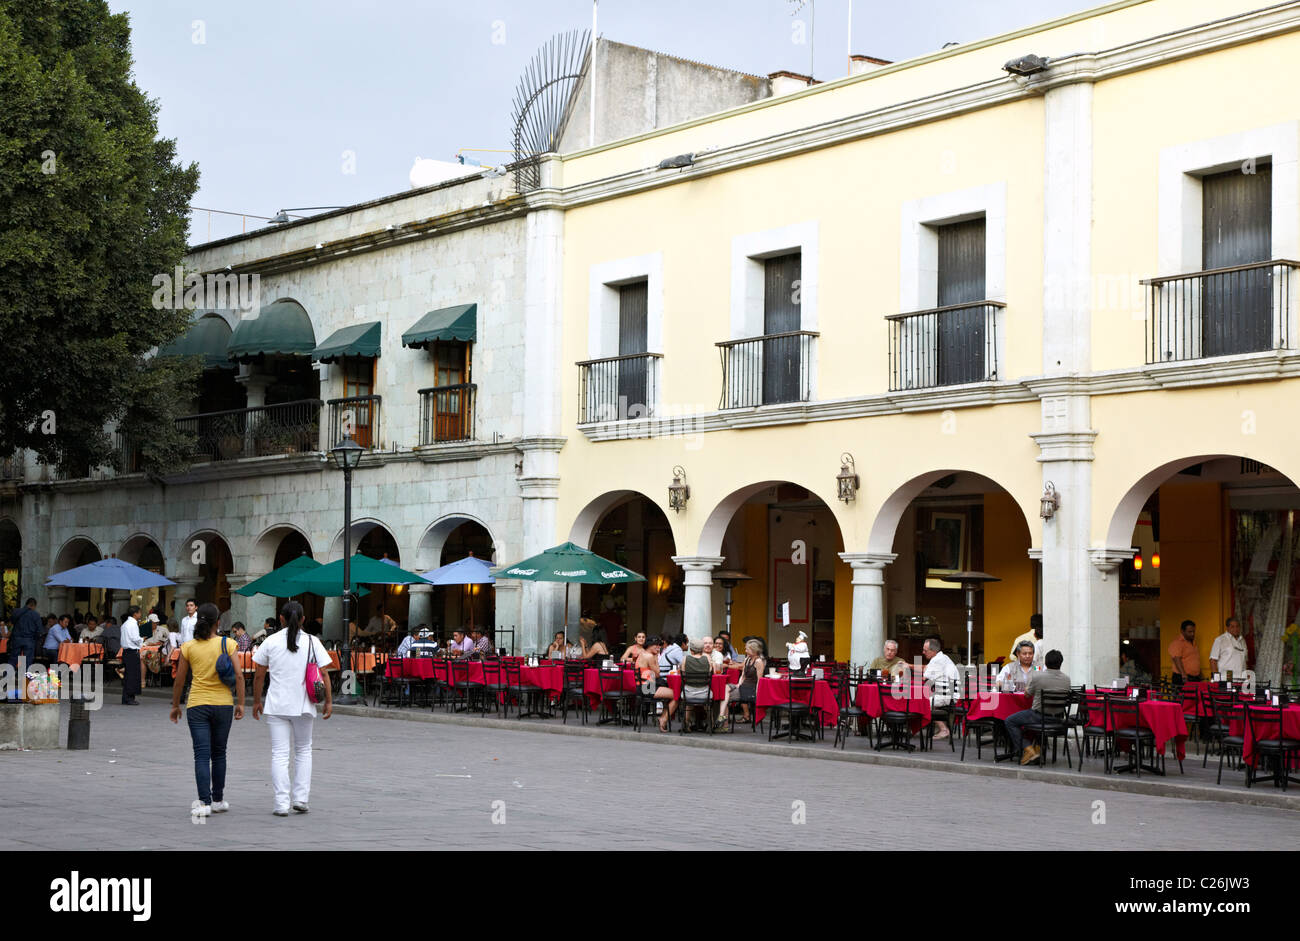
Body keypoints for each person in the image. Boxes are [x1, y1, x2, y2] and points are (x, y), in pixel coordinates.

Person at [252, 601, 332, 816]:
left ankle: (280, 803)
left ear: (281, 619)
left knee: (279, 754)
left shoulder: (270, 641)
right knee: (304, 750)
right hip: (304, 703)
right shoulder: (313, 641)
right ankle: (301, 799)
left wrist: (257, 700)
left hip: (277, 703)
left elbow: (259, 674)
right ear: (303, 619)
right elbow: (324, 673)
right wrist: (329, 701)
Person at [170, 602, 244, 817]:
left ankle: (203, 803)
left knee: (201, 755)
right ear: (217, 623)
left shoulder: (188, 647)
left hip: (197, 705)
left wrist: (175, 705)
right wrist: (240, 703)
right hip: (223, 704)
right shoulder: (228, 643)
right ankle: (218, 799)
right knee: (219, 753)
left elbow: (180, 680)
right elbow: (239, 675)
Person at [1003, 649, 1072, 765]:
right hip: (1058, 719)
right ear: (1061, 663)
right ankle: (1036, 749)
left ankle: (1028, 749)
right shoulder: (1067, 679)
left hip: (1038, 716)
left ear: (1045, 663)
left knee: (1009, 721)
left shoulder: (1038, 677)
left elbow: (1026, 695)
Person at [637, 636, 678, 732]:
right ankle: (663, 719)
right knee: (677, 695)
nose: (658, 647)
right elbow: (658, 673)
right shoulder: (650, 656)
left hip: (642, 686)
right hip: (648, 688)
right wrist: (656, 657)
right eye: (656, 645)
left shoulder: (642, 654)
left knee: (671, 693)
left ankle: (663, 717)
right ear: (649, 645)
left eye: (659, 645)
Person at [922, 637, 959, 739]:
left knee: (922, 702)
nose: (923, 652)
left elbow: (925, 677)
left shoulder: (936, 660)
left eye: (925, 650)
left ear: (933, 651)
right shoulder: (943, 657)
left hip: (947, 696)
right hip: (951, 694)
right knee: (927, 698)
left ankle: (944, 729)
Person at [726, 639, 766, 724]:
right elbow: (743, 675)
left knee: (724, 697)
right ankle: (724, 718)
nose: (745, 651)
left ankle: (724, 720)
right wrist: (738, 684)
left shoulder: (759, 662)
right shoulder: (748, 659)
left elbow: (760, 680)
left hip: (750, 689)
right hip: (743, 686)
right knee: (725, 688)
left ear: (754, 650)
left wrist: (758, 693)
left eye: (747, 649)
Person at [679, 639, 716, 729]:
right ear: (702, 649)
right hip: (704, 694)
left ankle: (686, 724)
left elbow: (683, 675)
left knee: (688, 702)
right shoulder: (707, 659)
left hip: (688, 694)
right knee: (708, 704)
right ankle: (711, 723)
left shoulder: (685, 659)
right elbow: (712, 673)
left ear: (691, 650)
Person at [120, 605, 144, 705]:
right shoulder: (133, 624)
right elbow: (135, 638)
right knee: (132, 675)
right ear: (135, 614)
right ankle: (130, 697)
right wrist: (143, 639)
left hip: (126, 651)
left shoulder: (125, 624)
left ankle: (125, 697)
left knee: (128, 675)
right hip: (132, 652)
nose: (140, 614)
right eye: (139, 612)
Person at [7, 598, 40, 668]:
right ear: (34, 606)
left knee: (13, 658)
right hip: (29, 640)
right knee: (28, 661)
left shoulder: (16, 612)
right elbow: (39, 629)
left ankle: (7, 676)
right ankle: (25, 678)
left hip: (16, 639)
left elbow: (11, 622)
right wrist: (35, 639)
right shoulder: (35, 614)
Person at [1169, 619, 1201, 683]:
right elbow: (1177, 659)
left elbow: (1193, 659)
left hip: (1195, 677)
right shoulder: (1177, 643)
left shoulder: (1193, 642)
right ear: (1182, 631)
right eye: (1189, 632)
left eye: (1193, 631)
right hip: (1182, 678)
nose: (1192, 634)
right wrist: (1183, 674)